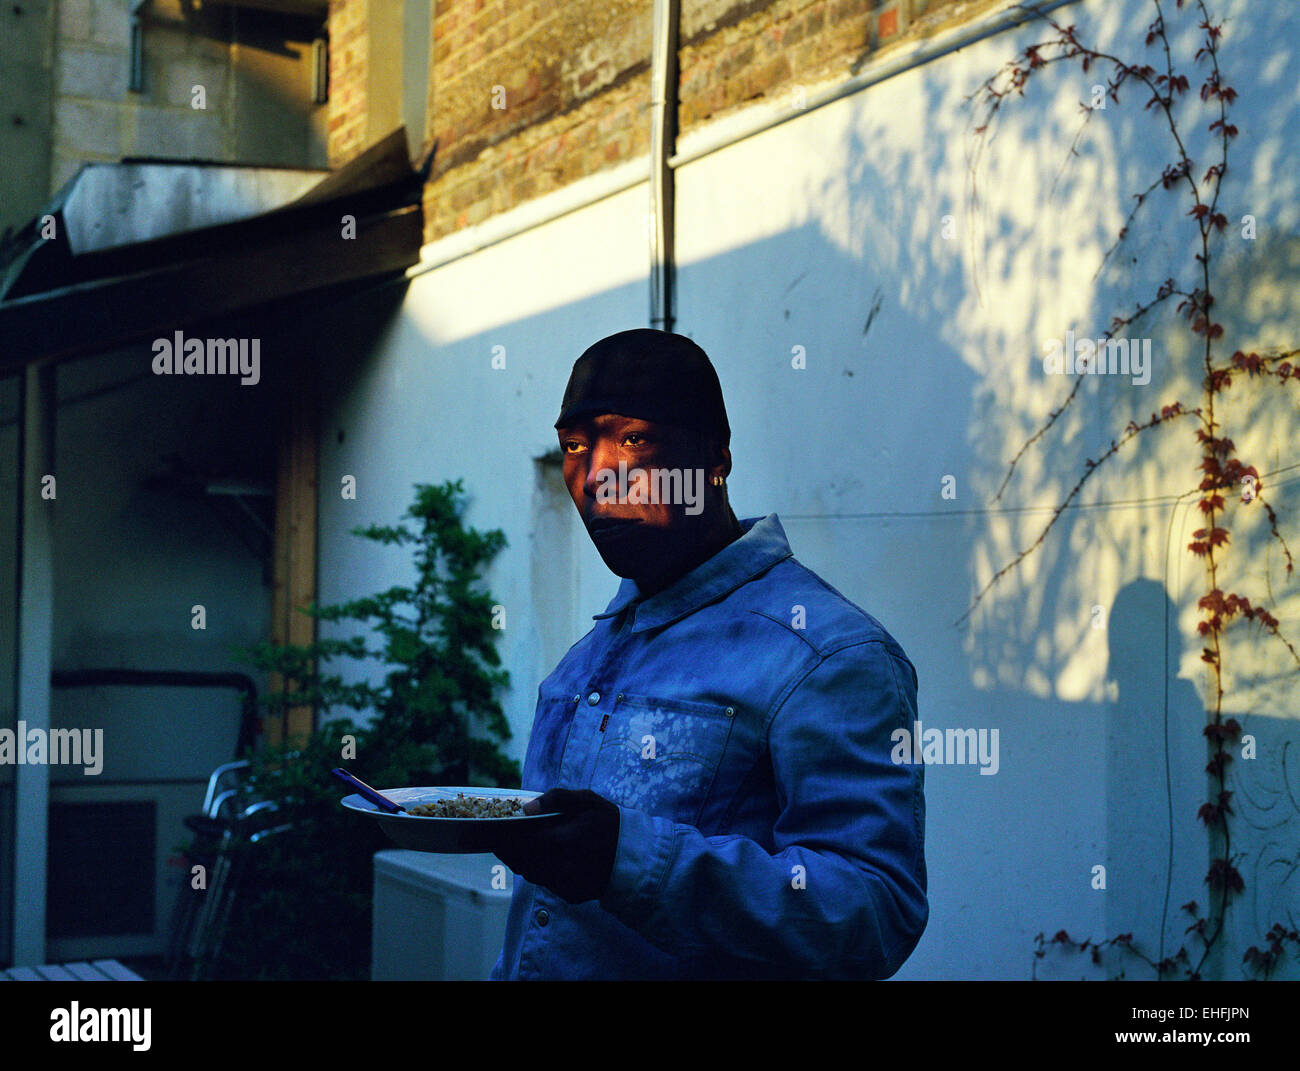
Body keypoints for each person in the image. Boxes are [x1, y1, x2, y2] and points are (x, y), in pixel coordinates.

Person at [491, 328, 927, 979]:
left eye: (634, 438)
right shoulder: (586, 658)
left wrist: (626, 860)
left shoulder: (827, 654)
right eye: (576, 446)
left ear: (716, 459)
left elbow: (873, 911)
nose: (599, 475)